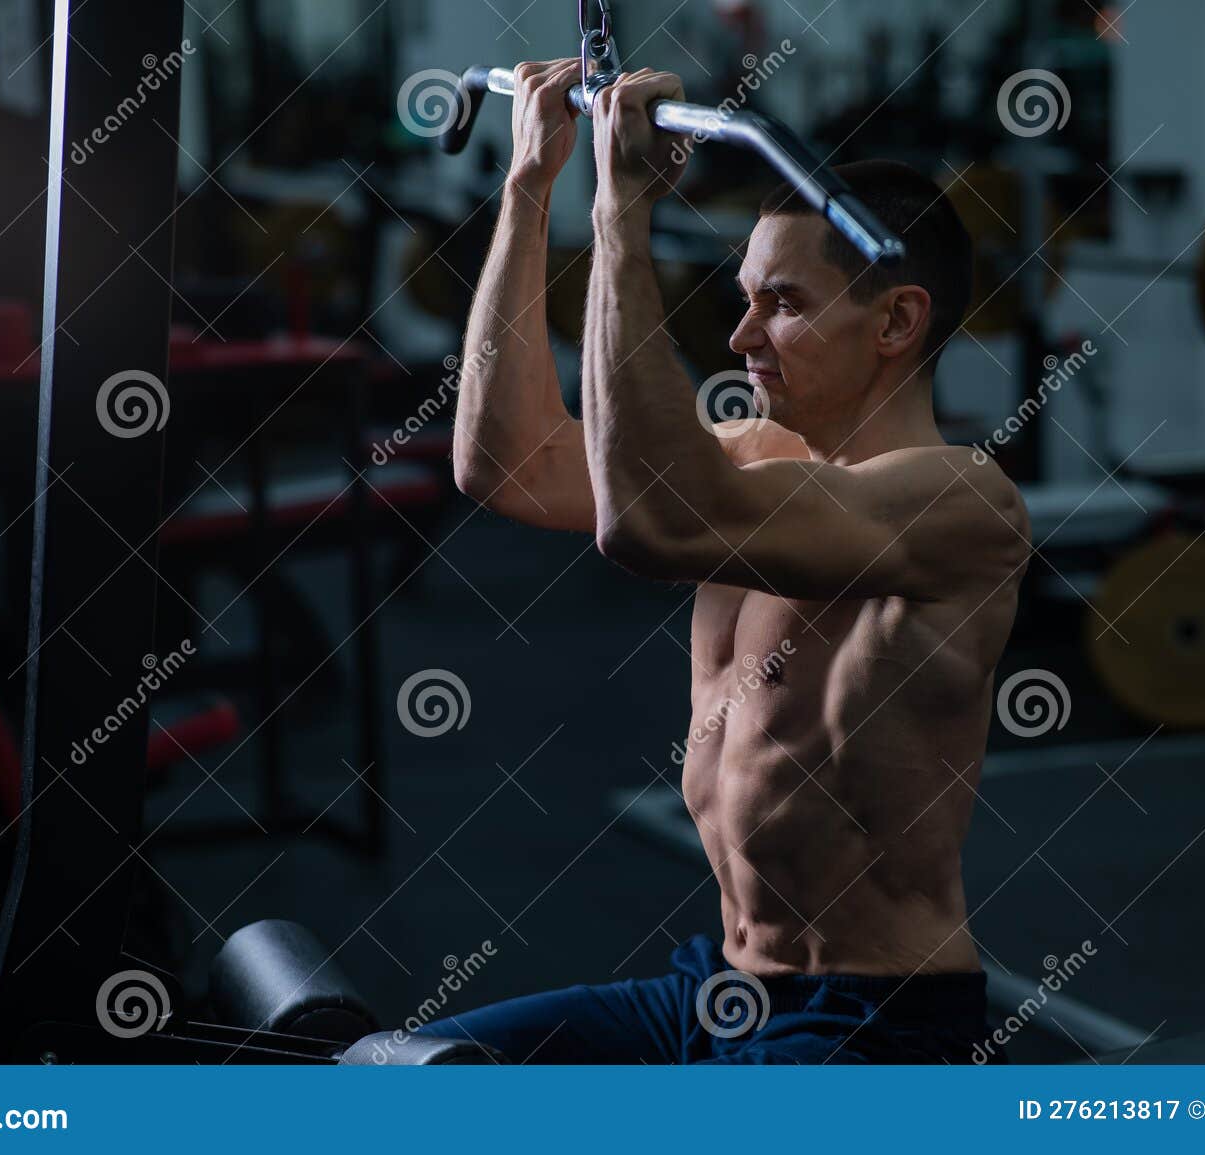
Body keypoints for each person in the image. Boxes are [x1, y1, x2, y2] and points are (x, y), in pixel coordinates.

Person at [438, 59, 1029, 1063]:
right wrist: (530, 188)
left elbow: (646, 528)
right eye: (744, 296)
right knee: (401, 1086)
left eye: (783, 303)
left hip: (873, 1021)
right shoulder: (751, 458)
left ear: (895, 321)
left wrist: (622, 212)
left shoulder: (960, 503)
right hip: (715, 989)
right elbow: (508, 466)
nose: (742, 332)